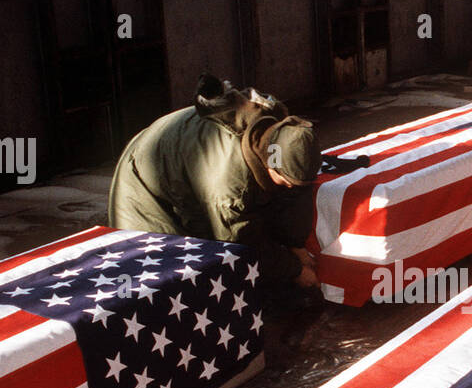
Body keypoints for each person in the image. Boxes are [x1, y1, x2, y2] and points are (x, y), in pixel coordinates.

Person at [108, 75, 321, 289]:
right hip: (144, 178)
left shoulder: (283, 137)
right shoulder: (229, 187)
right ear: (269, 165)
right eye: (286, 180)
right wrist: (295, 271)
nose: (291, 186)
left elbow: (292, 195)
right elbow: (241, 241)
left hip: (188, 164)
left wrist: (297, 247)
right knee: (175, 275)